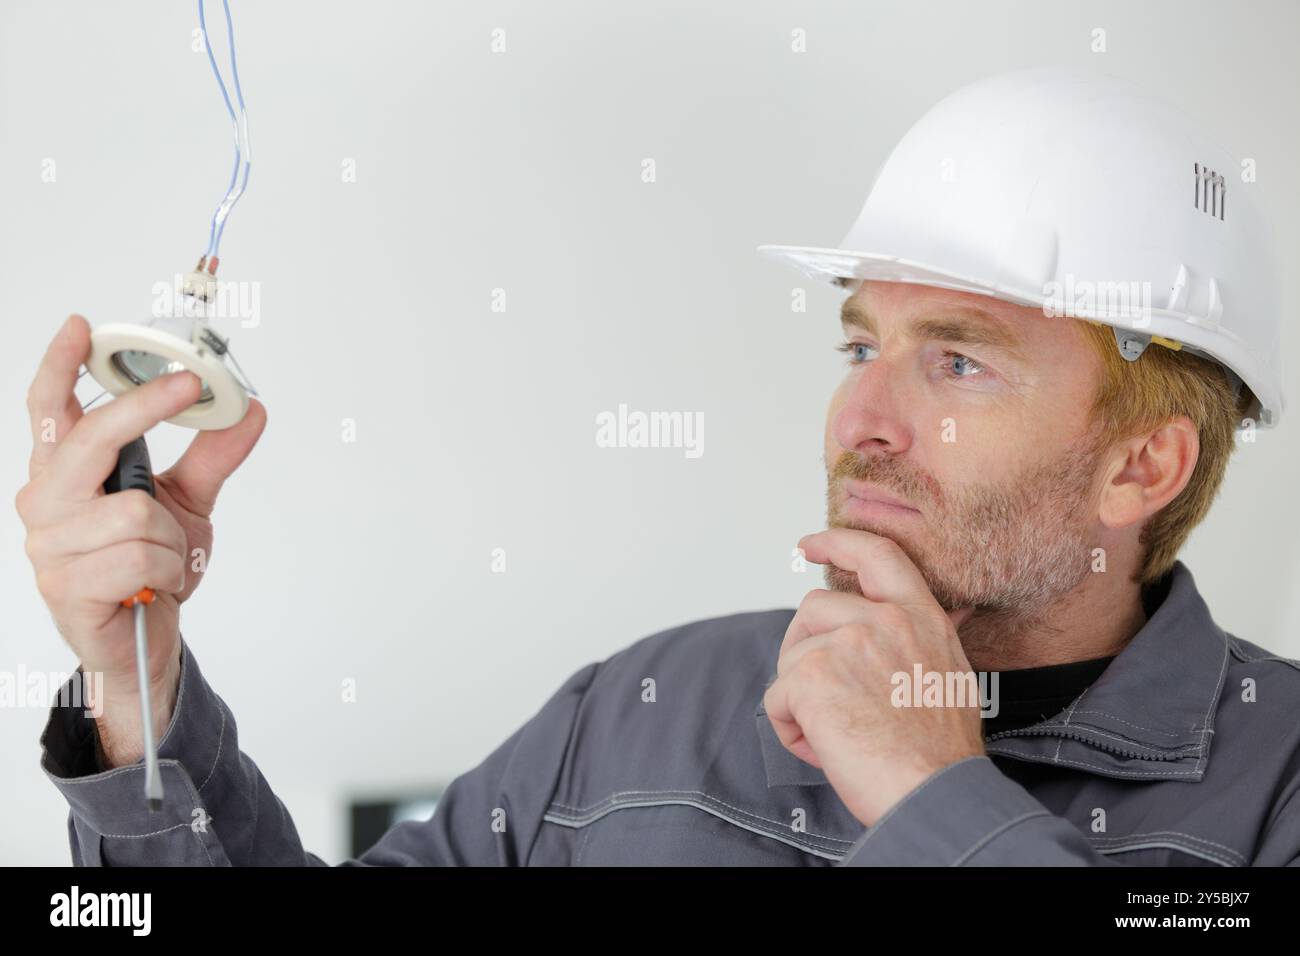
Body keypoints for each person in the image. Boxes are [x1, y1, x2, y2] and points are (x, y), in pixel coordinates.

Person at [21, 69, 1300, 866]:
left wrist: (930, 796)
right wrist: (136, 676)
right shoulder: (643, 709)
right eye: (860, 342)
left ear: (1142, 462)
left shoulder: (1279, 779)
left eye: (956, 362)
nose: (861, 415)